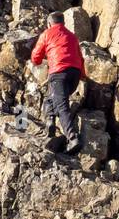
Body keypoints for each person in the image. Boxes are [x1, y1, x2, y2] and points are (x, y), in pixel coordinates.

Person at [31, 11, 85, 154]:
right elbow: (80, 57)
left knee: (62, 106)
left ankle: (73, 139)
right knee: (52, 97)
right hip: (74, 74)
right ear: (63, 23)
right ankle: (49, 120)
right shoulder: (73, 37)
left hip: (59, 73)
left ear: (49, 23)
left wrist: (41, 59)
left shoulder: (47, 34)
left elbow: (35, 57)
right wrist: (83, 76)